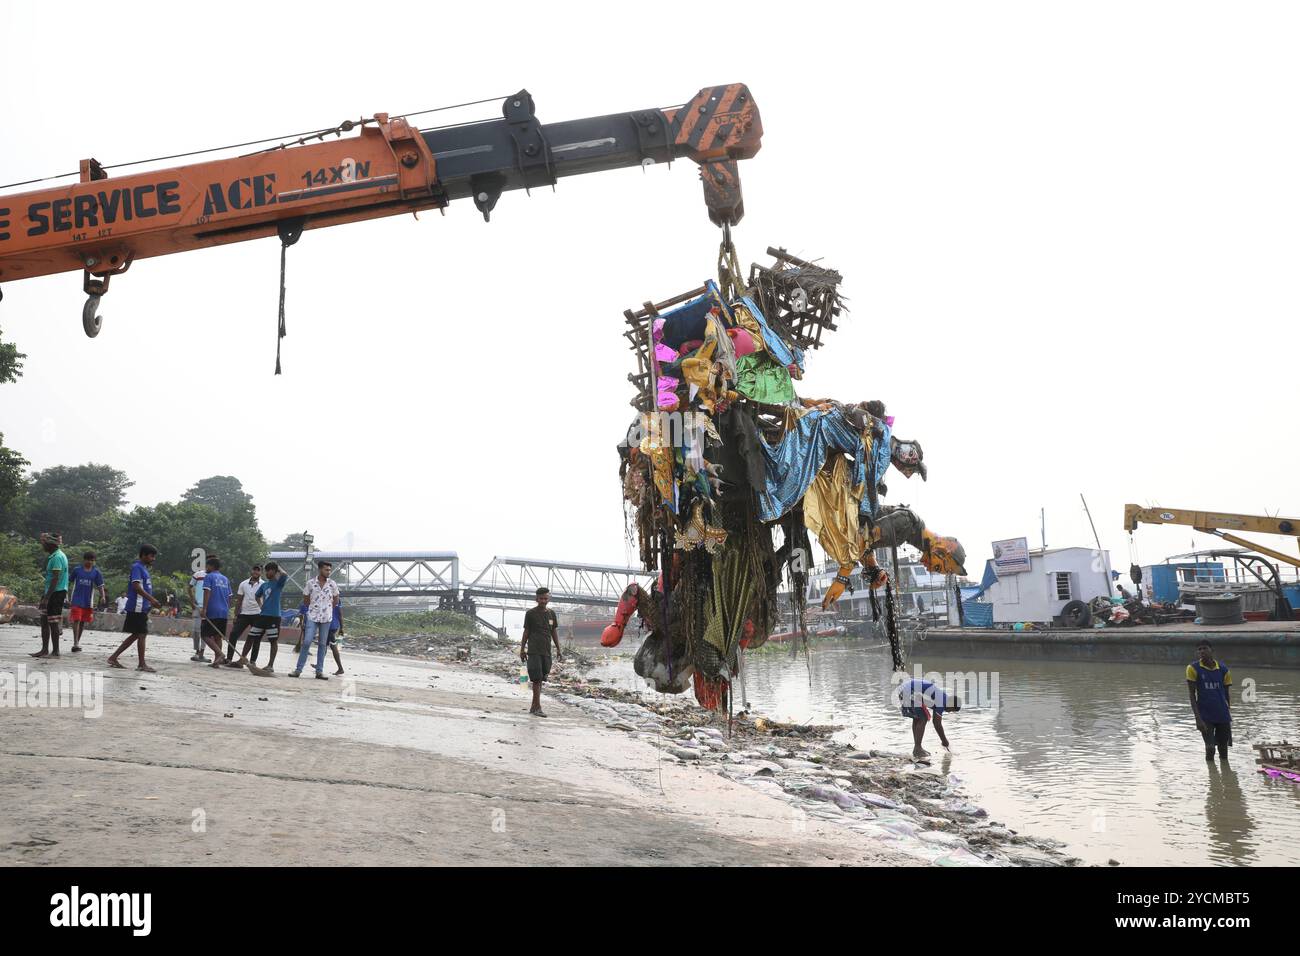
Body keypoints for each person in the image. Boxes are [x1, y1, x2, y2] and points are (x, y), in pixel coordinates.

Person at [108, 544, 163, 672]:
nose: (153, 559)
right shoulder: (137, 568)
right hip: (137, 607)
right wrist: (152, 599)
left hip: (142, 607)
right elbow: (137, 587)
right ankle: (141, 664)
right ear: (143, 555)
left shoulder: (143, 568)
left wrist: (149, 602)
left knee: (136, 635)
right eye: (151, 556)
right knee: (141, 634)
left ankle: (114, 657)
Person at [291, 560, 339, 679]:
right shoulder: (310, 583)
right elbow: (306, 600)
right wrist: (314, 608)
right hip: (312, 616)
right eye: (326, 569)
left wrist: (327, 609)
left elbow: (336, 599)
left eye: (329, 570)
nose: (328, 572)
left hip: (326, 618)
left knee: (323, 644)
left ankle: (319, 671)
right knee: (307, 641)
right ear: (320, 569)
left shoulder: (332, 584)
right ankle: (298, 669)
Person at [520, 587, 563, 717]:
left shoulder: (551, 614)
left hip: (546, 651)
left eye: (545, 598)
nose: (543, 601)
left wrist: (559, 649)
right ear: (536, 599)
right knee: (537, 678)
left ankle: (534, 707)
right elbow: (526, 631)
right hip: (534, 650)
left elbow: (553, 632)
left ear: (548, 599)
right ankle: (537, 707)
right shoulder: (530, 614)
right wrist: (522, 649)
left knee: (542, 677)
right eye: (541, 598)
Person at [896, 676, 961, 761]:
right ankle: (917, 748)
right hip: (908, 690)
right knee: (923, 718)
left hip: (904, 689)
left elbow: (936, 721)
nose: (949, 712)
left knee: (918, 717)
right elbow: (937, 723)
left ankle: (917, 748)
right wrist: (945, 741)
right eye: (951, 710)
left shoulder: (943, 698)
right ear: (951, 704)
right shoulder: (942, 701)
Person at [1188, 640, 1232, 762]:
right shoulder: (1193, 668)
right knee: (1210, 748)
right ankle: (1212, 777)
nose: (1202, 651)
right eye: (1199, 649)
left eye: (1204, 648)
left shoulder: (1223, 669)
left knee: (1224, 750)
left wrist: (1228, 711)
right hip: (1205, 715)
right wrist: (1197, 718)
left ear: (1212, 650)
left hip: (1222, 714)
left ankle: (1224, 776)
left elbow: (1226, 693)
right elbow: (1192, 695)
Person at [31, 532, 69, 659]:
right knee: (44, 620)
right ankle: (44, 649)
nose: (43, 546)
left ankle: (56, 651)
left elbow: (55, 579)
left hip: (56, 593)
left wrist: (47, 598)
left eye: (45, 543)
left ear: (50, 545)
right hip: (51, 592)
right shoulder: (54, 556)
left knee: (53, 622)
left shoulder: (57, 557)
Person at [248, 561, 289, 673]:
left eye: (269, 570)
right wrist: (261, 607)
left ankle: (270, 665)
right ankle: (245, 660)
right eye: (266, 570)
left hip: (274, 616)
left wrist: (278, 566)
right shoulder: (264, 585)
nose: (267, 572)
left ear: (275, 572)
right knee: (252, 635)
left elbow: (285, 575)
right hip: (263, 615)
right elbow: (257, 596)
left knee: (273, 640)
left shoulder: (279, 583)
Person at [67, 550, 107, 653]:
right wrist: (66, 595)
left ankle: (77, 642)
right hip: (76, 599)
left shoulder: (96, 572)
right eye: (88, 560)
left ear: (94, 561)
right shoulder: (77, 570)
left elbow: (100, 586)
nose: (90, 562)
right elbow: (68, 582)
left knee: (82, 622)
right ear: (84, 560)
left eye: (92, 560)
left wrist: (103, 596)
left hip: (88, 601)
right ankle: (75, 642)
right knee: (76, 620)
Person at [225, 564, 264, 667]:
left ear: (261, 572)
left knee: (256, 638)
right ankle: (229, 658)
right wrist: (236, 615)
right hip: (244, 614)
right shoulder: (243, 584)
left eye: (258, 570)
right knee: (233, 634)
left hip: (258, 614)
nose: (256, 572)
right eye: (254, 570)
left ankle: (252, 661)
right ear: (251, 571)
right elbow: (239, 600)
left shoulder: (264, 584)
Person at [197, 556, 232, 668]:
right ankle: (217, 661)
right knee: (218, 636)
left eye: (207, 565)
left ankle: (220, 654)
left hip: (213, 610)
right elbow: (230, 597)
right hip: (223, 611)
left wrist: (204, 608)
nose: (206, 568)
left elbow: (207, 593)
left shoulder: (209, 577)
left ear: (211, 566)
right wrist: (227, 608)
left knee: (205, 635)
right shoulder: (225, 579)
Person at [327, 597, 345, 676]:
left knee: (333, 646)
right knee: (324, 645)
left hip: (331, 625)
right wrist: (341, 628)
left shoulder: (335, 599)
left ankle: (340, 668)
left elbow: (340, 614)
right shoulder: (337, 599)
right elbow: (340, 615)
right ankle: (318, 664)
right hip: (333, 625)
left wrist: (342, 628)